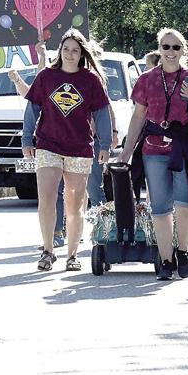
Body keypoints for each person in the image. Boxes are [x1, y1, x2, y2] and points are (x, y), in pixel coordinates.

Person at [118, 28, 188, 281]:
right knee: (160, 207)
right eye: (166, 47)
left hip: (184, 148)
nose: (171, 52)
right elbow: (138, 116)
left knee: (186, 204)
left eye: (176, 47)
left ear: (183, 51)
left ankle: (182, 252)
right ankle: (166, 260)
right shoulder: (147, 79)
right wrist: (127, 151)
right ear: (159, 49)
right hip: (153, 149)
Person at [21, 29, 112, 271]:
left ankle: (72, 255)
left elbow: (102, 114)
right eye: (66, 49)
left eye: (75, 50)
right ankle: (48, 250)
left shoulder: (91, 80)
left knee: (75, 203)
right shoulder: (46, 77)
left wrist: (105, 145)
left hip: (80, 147)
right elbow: (32, 109)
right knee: (47, 198)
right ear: (59, 51)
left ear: (82, 53)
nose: (70, 54)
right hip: (48, 144)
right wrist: (26, 139)